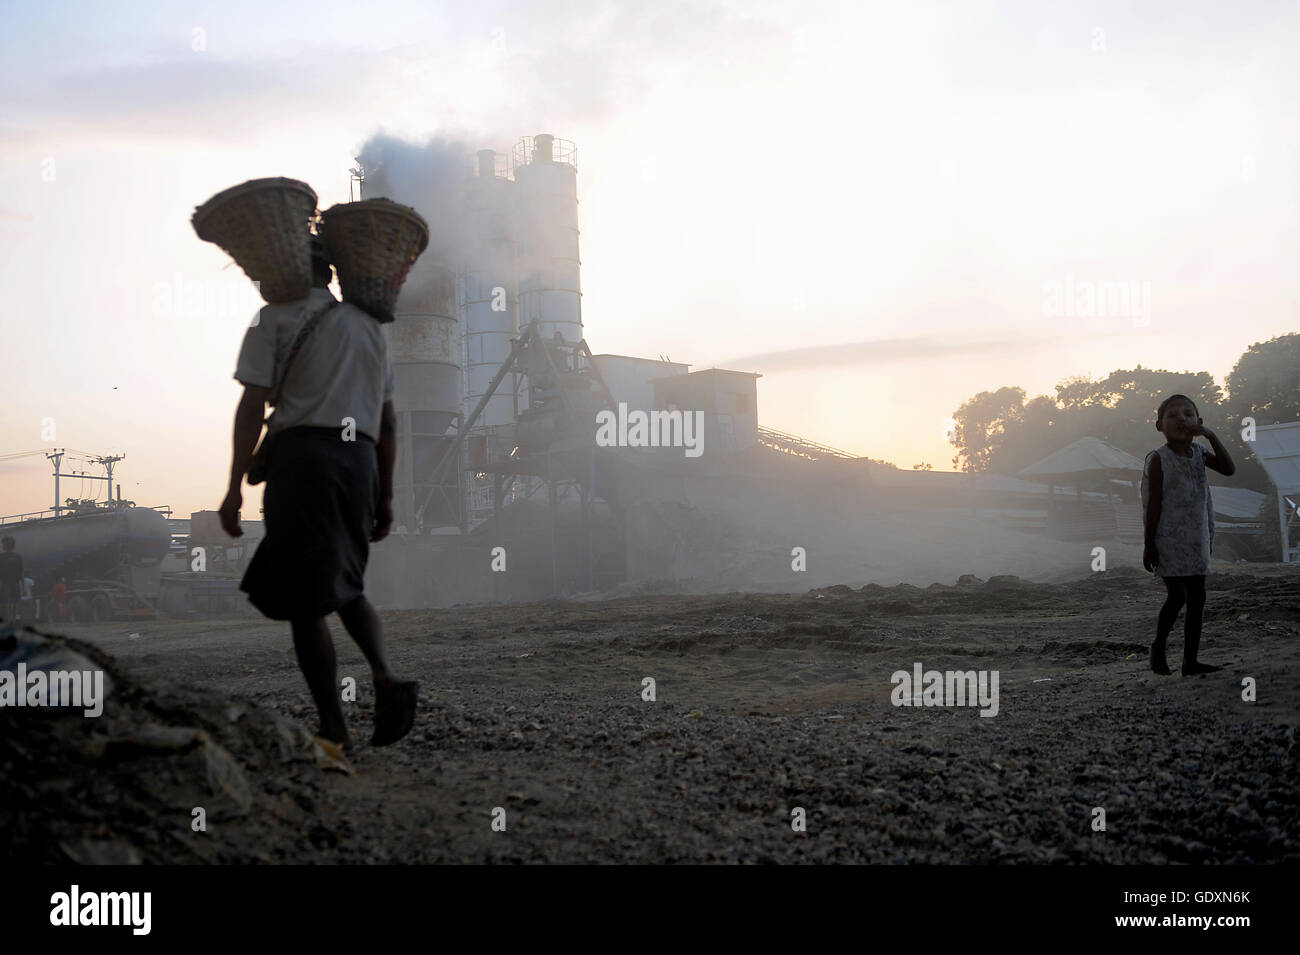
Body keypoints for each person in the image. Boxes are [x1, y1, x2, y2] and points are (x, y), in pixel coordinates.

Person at [218, 235, 418, 759]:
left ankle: (333, 729)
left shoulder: (273, 319)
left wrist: (234, 486)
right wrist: (387, 495)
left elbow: (251, 407)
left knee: (305, 601)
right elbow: (390, 422)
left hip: (303, 461)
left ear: (283, 269)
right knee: (346, 582)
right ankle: (385, 677)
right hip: (359, 463)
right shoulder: (368, 327)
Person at [1140, 394, 1236, 676]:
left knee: (1198, 597)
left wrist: (1211, 436)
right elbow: (1153, 503)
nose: (1181, 419)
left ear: (1199, 423)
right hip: (1167, 537)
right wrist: (1149, 544)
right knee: (1177, 595)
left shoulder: (1200, 455)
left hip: (1197, 534)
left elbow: (1229, 469)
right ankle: (1158, 647)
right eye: (1172, 415)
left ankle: (1190, 661)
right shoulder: (1158, 459)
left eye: (1188, 414)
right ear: (1159, 426)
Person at [0, 536, 22, 623]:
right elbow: (21, 571)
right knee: (14, 602)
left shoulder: (1, 557)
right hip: (15, 583)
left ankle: (9, 619)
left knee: (6, 602)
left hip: (4, 583)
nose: (2, 545)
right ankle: (12, 619)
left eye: (3, 544)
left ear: (6, 545)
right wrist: (22, 585)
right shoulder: (17, 556)